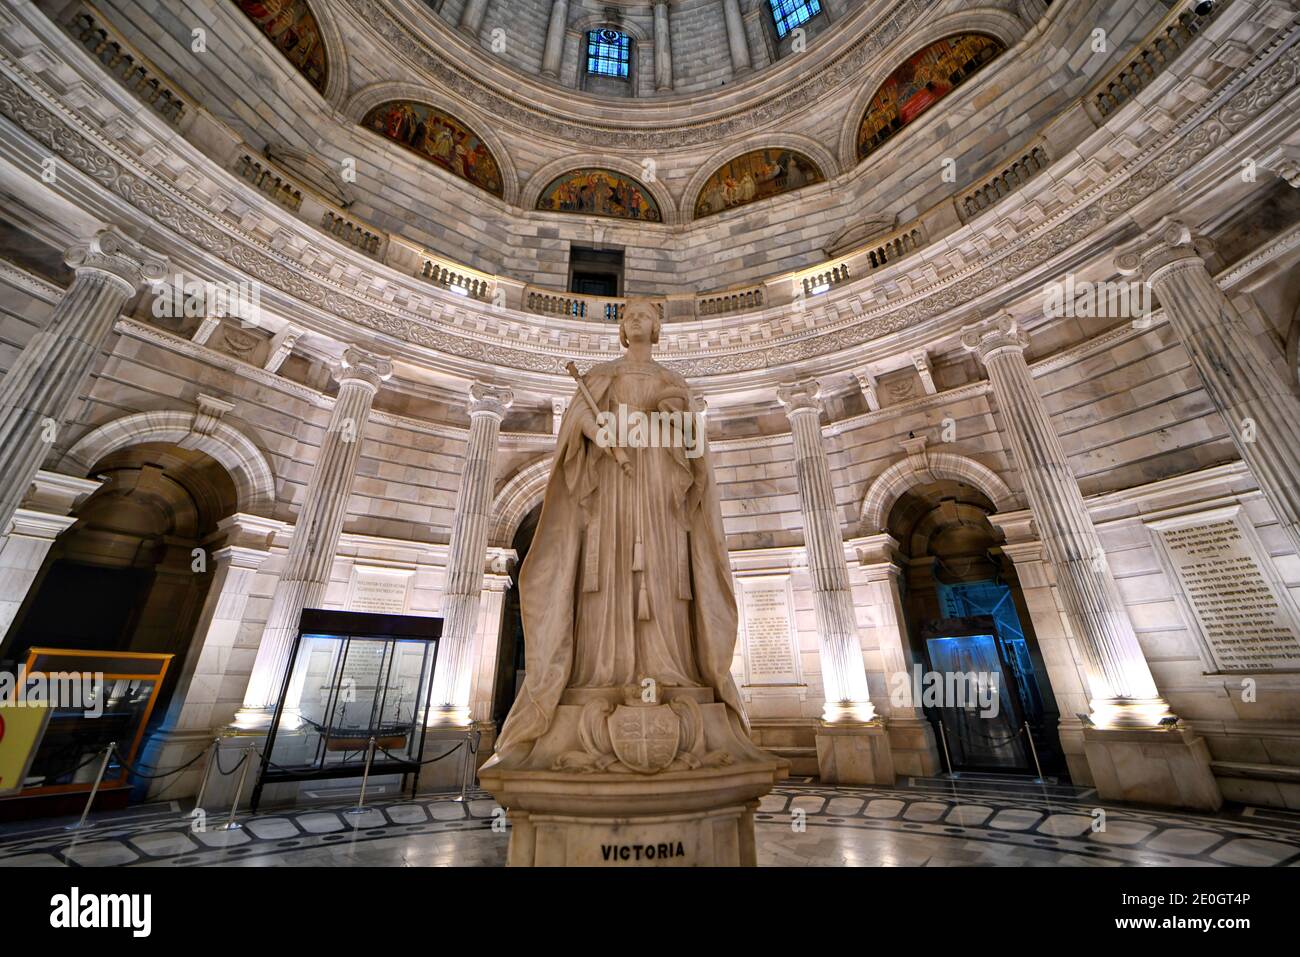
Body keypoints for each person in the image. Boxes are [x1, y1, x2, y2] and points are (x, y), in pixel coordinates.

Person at [489, 300, 750, 766]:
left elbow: (694, 445)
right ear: (622, 331)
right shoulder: (599, 376)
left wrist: (670, 421)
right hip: (611, 489)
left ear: (657, 328)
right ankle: (601, 673)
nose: (636, 321)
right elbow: (576, 424)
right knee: (609, 574)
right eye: (629, 317)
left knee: (663, 577)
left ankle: (670, 671)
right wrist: (598, 431)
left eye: (645, 316)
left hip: (661, 491)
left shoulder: (673, 381)